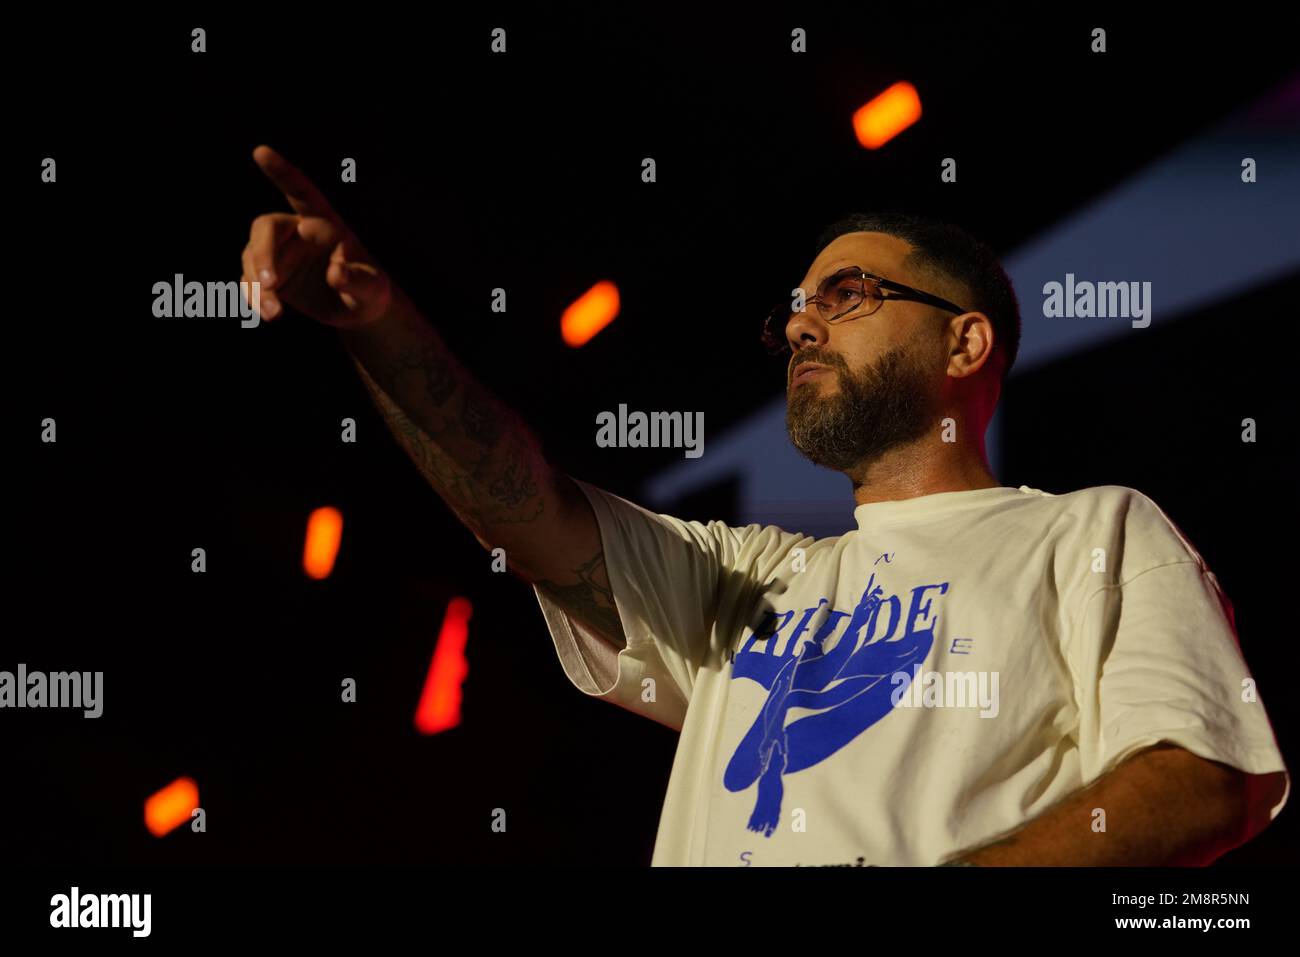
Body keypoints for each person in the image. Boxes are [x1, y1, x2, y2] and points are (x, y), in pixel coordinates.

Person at [240, 145, 1289, 866]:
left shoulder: (1088, 531)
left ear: (964, 343)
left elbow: (1204, 775)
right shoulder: (749, 579)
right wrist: (377, 325)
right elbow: (514, 504)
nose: (799, 328)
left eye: (846, 296)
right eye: (793, 310)